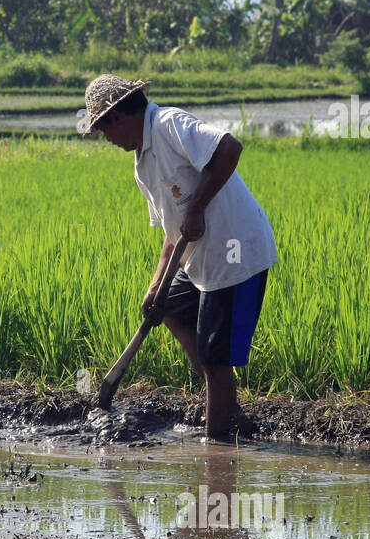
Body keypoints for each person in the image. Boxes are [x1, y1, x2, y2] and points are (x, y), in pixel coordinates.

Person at [80, 74, 277, 440]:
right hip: (201, 259)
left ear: (117, 118)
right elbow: (173, 233)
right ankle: (226, 406)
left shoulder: (170, 125)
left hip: (234, 255)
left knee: (216, 359)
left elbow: (230, 148)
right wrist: (157, 286)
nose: (106, 139)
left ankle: (216, 443)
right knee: (168, 308)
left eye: (104, 130)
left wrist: (198, 207)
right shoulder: (142, 164)